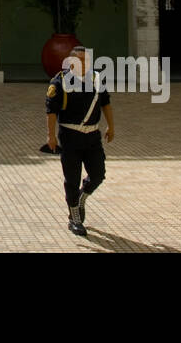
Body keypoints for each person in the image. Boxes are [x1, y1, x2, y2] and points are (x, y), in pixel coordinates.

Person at [45, 45, 114, 237]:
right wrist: (50, 136)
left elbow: (105, 102)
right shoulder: (59, 82)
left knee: (98, 174)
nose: (85, 64)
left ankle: (82, 198)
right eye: (81, 60)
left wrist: (111, 126)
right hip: (70, 137)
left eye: (87, 61)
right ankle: (74, 218)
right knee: (72, 179)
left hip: (92, 137)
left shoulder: (96, 79)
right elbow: (51, 111)